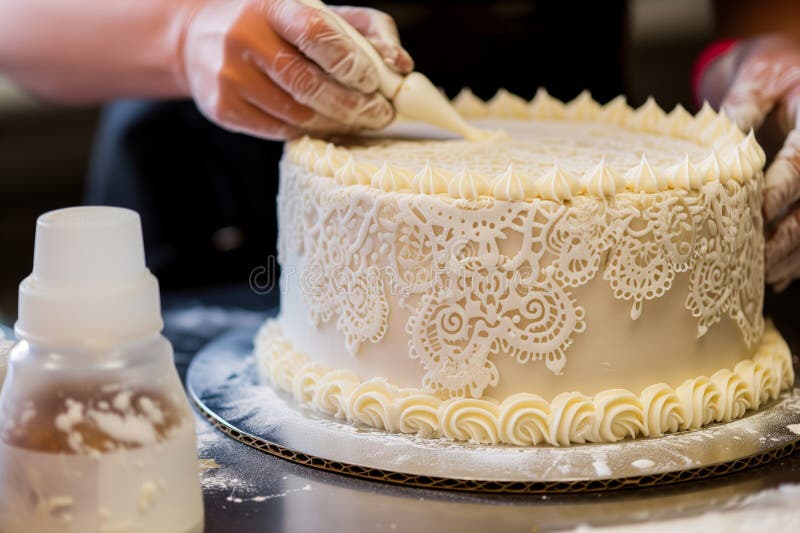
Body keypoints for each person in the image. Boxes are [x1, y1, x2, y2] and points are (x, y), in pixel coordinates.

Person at [0, 0, 798, 292]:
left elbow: (759, 19)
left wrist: (764, 67)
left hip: (591, 171)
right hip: (213, 229)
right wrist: (182, 33)